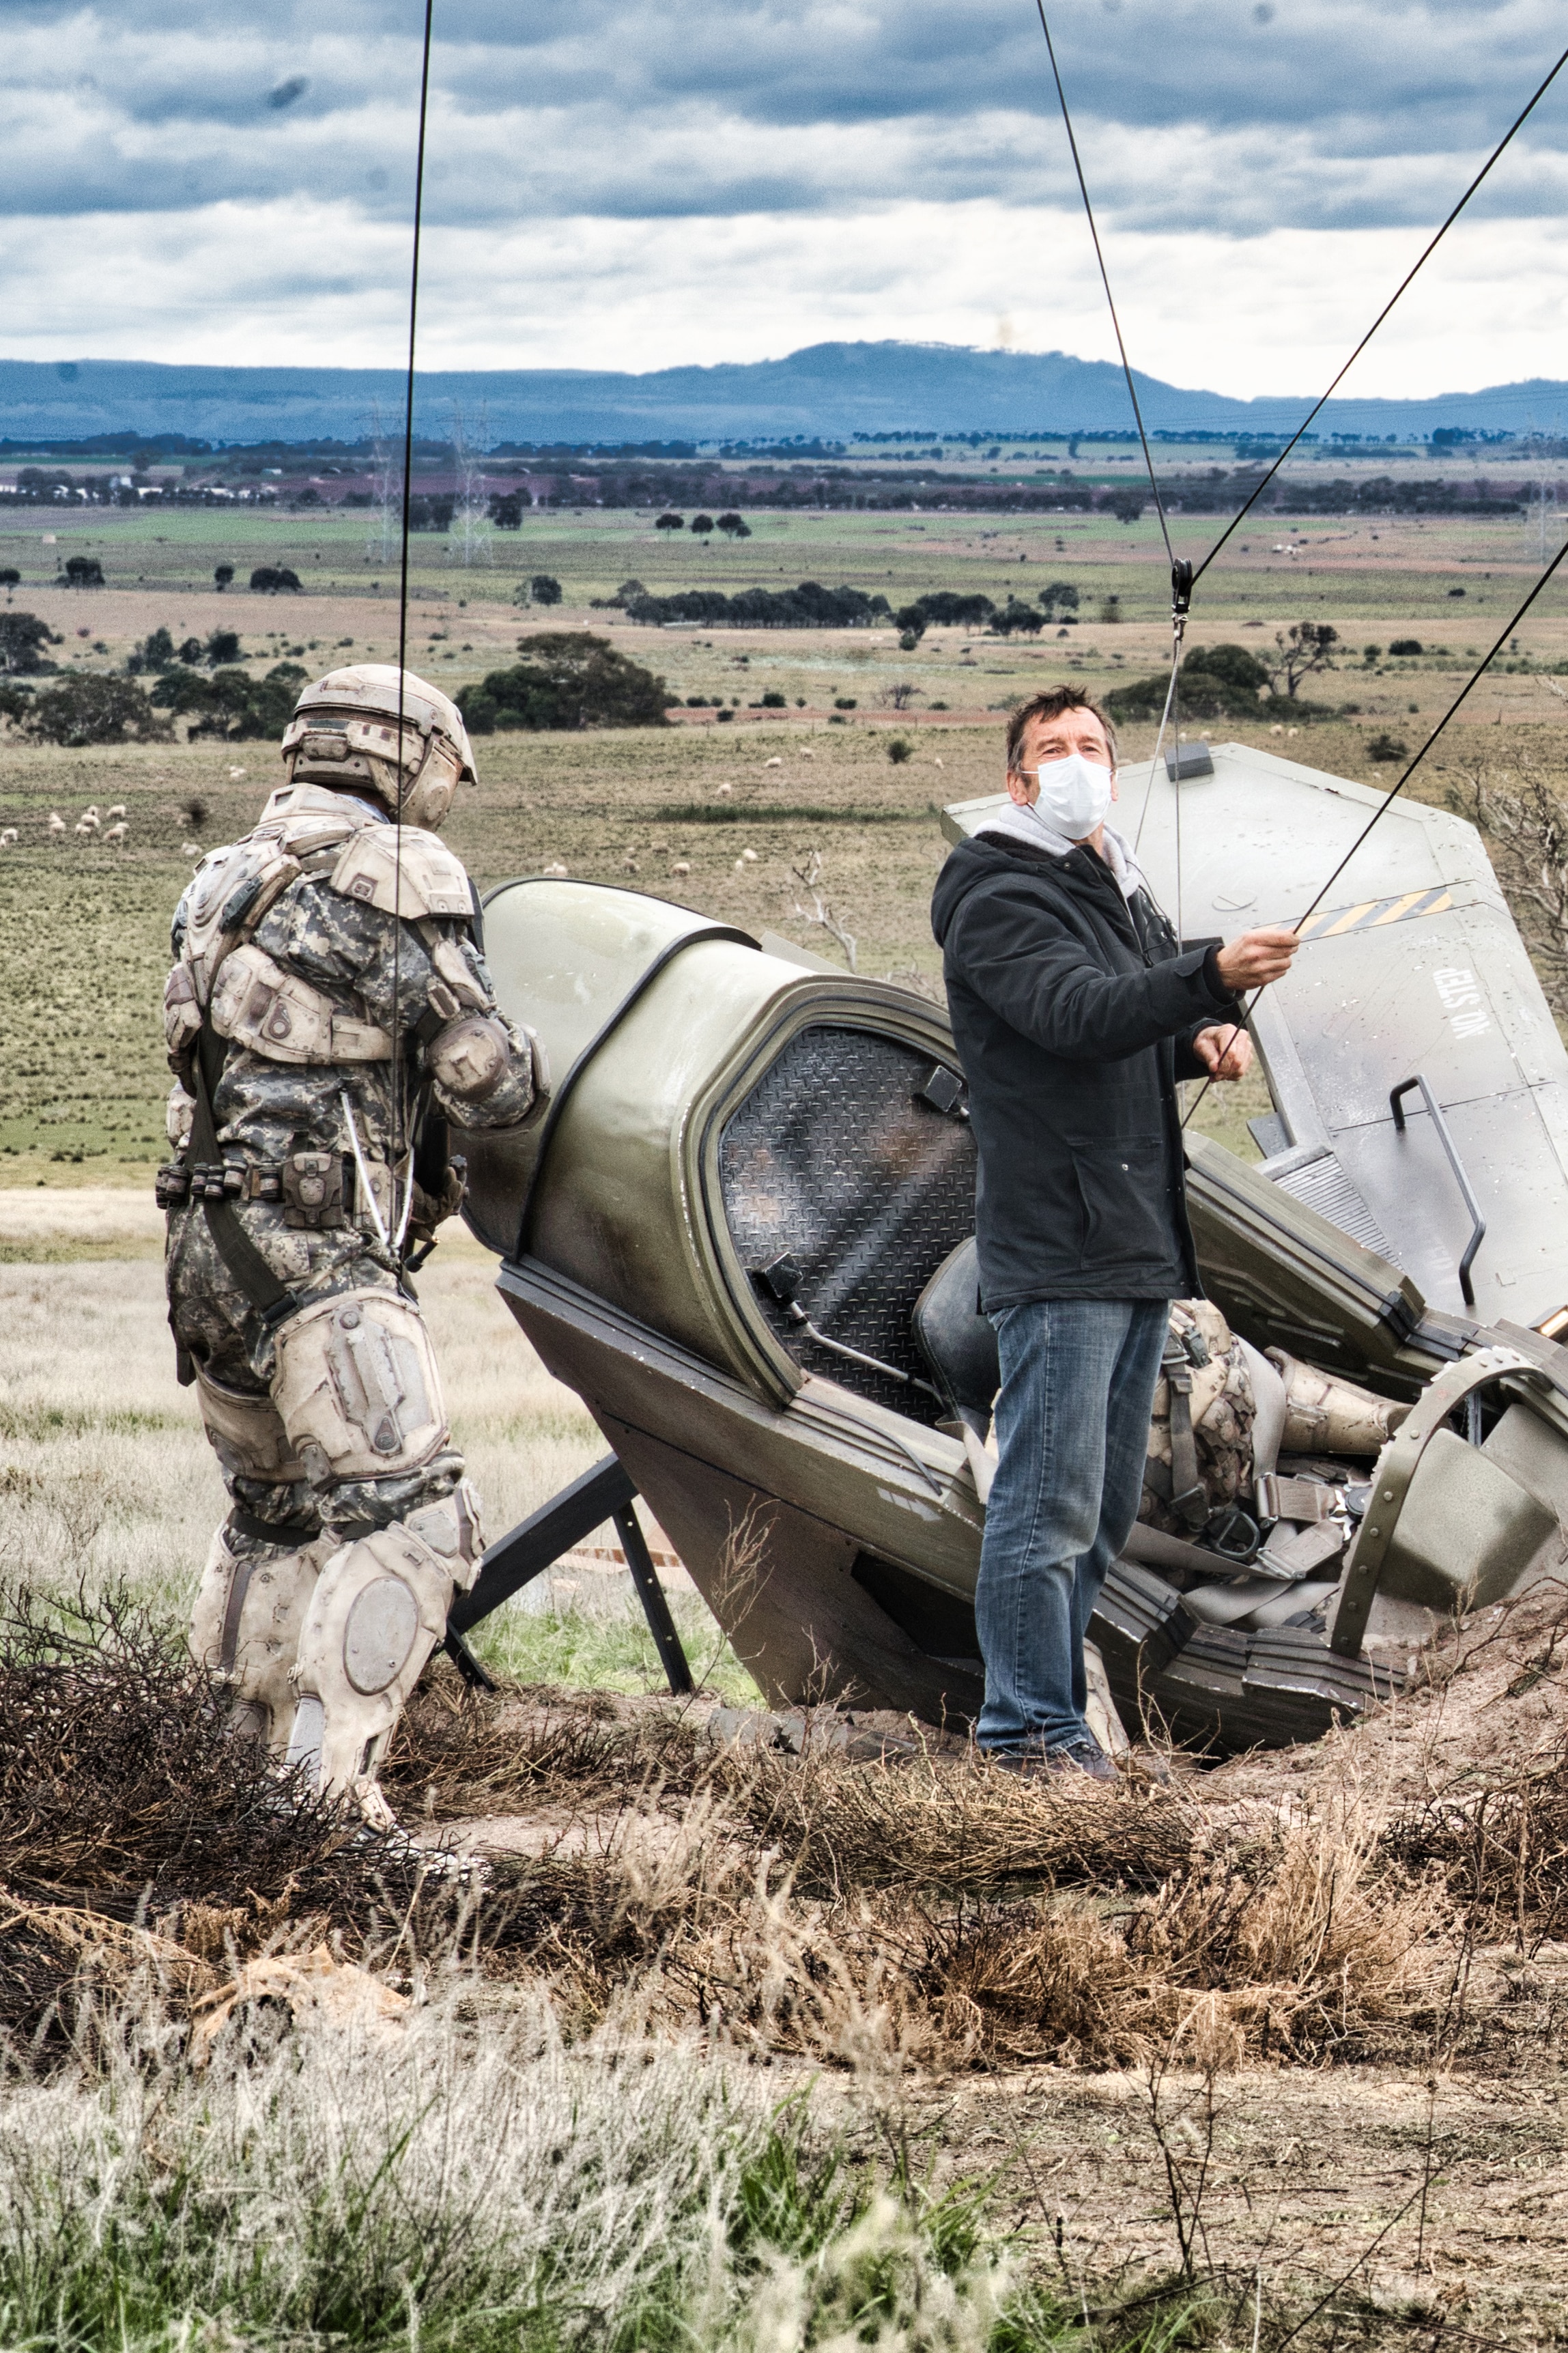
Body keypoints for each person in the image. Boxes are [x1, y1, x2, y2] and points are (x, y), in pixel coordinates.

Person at [159, 665, 545, 1820]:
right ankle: (330, 1799)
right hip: (317, 1252)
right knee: (419, 1520)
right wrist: (530, 1063)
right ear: (408, 756)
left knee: (272, 1516)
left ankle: (228, 1789)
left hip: (205, 1248)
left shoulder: (220, 878)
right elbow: (482, 1078)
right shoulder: (395, 868)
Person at [930, 687, 1298, 1777]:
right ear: (1016, 781)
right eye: (1052, 748)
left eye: (1091, 745)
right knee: (1044, 1502)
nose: (1075, 762)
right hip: (1060, 1242)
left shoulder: (1108, 881)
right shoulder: (997, 891)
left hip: (1127, 1238)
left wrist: (1194, 1039)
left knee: (1088, 1511)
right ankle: (1023, 1735)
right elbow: (1073, 1012)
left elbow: (1123, 1015)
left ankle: (1049, 1725)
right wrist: (1207, 977)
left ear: (1115, 770)